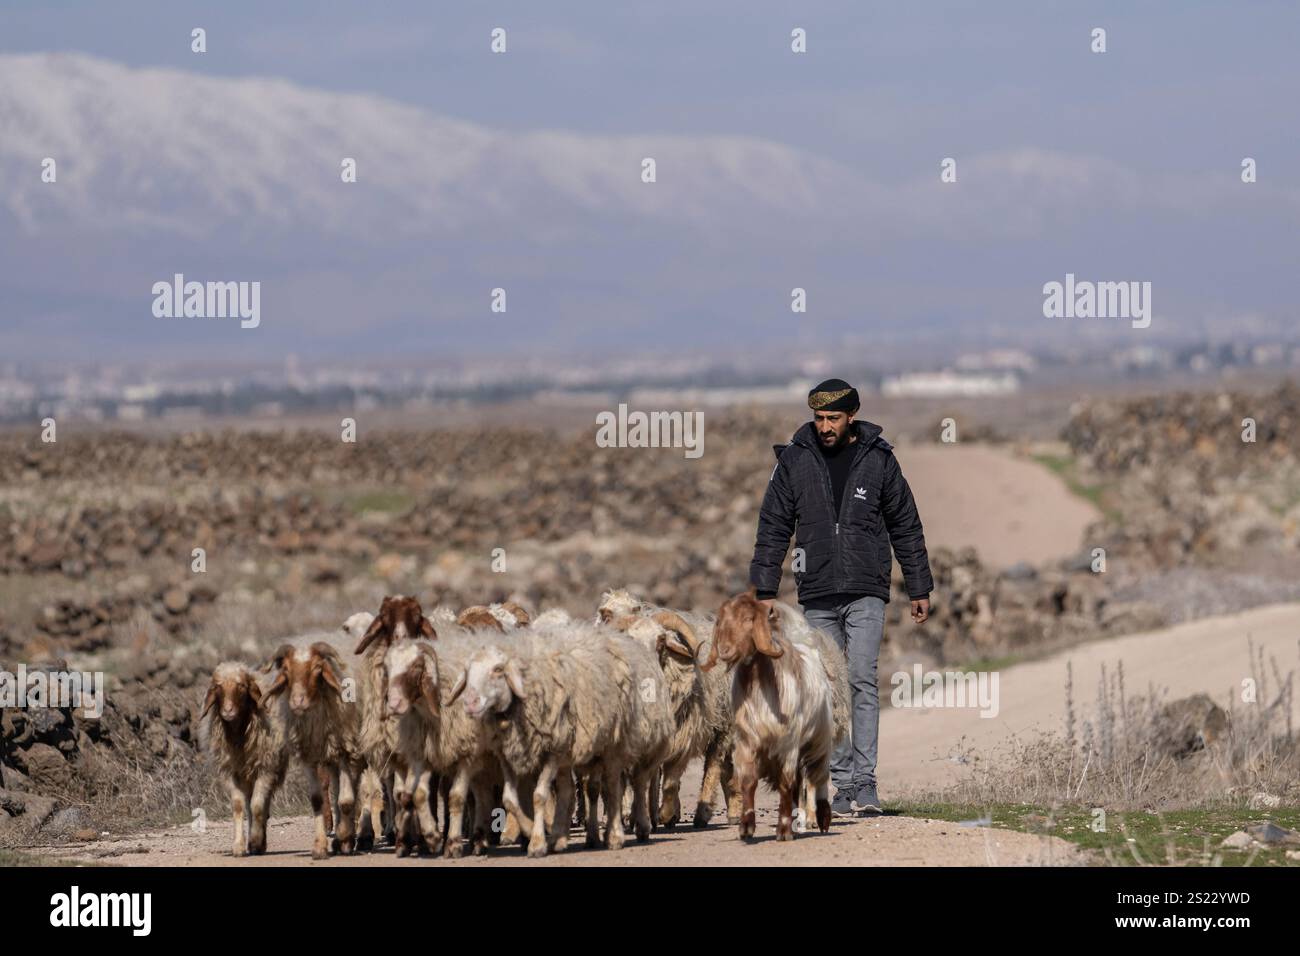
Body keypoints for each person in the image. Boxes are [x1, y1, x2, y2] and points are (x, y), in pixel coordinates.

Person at [749, 377, 933, 816]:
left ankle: (866, 784)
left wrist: (918, 586)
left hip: (867, 587)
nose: (824, 426)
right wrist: (764, 590)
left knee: (861, 680)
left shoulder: (879, 460)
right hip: (817, 591)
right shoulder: (795, 460)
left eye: (833, 418)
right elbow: (773, 525)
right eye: (818, 418)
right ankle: (842, 782)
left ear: (851, 416)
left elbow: (906, 524)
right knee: (826, 687)